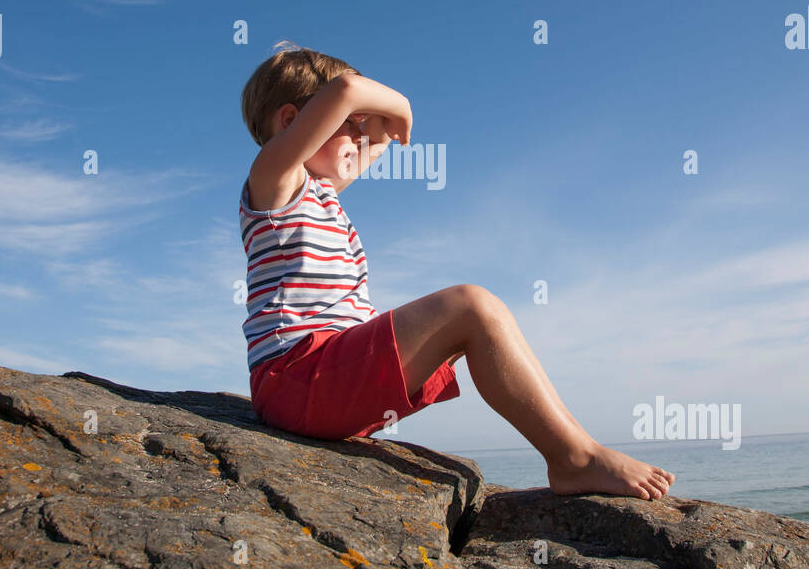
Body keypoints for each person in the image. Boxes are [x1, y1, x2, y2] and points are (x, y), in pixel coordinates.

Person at [238, 40, 675, 499]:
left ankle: (574, 451)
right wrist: (398, 106)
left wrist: (377, 124)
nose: (359, 137)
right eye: (348, 125)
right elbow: (348, 89)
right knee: (472, 306)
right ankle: (574, 459)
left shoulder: (321, 191)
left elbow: (379, 131)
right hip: (299, 375)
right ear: (292, 122)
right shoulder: (274, 178)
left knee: (481, 323)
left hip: (323, 383)